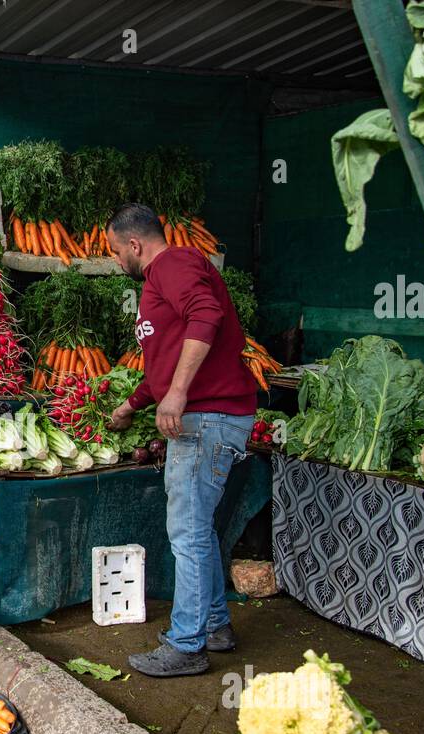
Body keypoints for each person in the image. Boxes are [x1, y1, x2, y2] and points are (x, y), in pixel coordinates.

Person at [105, 203, 257, 678]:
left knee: (188, 534)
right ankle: (213, 625)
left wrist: (177, 393)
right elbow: (163, 364)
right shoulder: (159, 282)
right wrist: (132, 405)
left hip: (208, 418)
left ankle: (187, 645)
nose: (114, 262)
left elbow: (206, 315)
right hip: (204, 414)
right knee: (199, 530)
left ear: (134, 244)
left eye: (114, 251)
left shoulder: (175, 264)